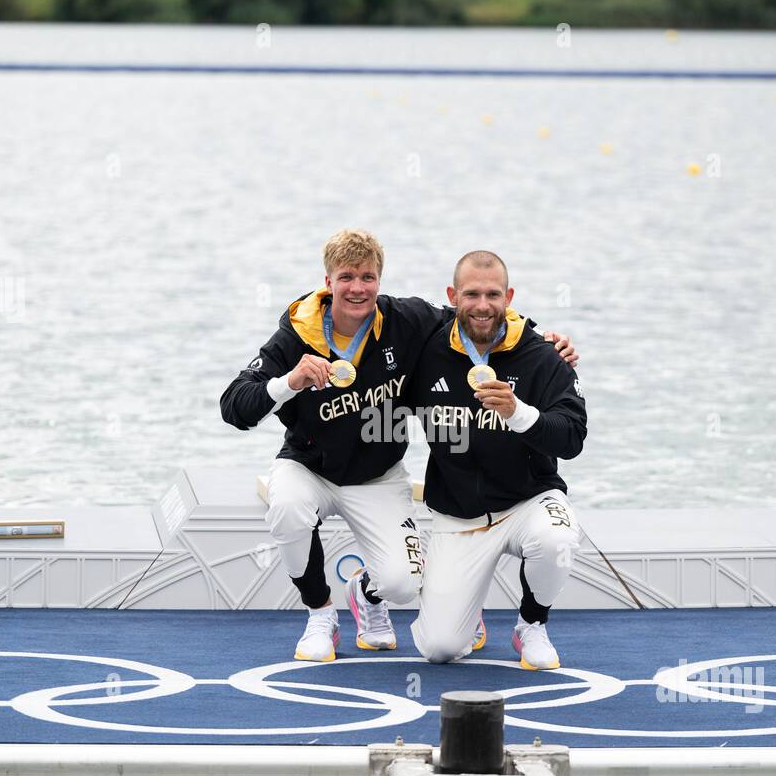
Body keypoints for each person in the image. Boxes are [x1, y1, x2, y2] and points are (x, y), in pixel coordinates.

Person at [219, 230, 577, 663]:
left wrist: (543, 342)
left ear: (379, 280)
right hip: (309, 467)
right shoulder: (296, 336)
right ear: (328, 281)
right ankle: (320, 616)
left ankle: (367, 594)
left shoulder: (407, 323)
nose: (357, 288)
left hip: (377, 476)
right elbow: (234, 407)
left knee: (405, 585)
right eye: (346, 277)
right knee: (289, 507)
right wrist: (287, 383)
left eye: (368, 277)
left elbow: (477, 316)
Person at [409, 250, 586, 670]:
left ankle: (531, 624)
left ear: (509, 296)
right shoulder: (425, 349)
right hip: (459, 514)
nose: (483, 306)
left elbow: (573, 437)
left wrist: (518, 413)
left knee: (557, 540)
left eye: (492, 294)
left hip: (528, 500)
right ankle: (459, 610)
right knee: (440, 649)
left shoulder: (544, 354)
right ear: (452, 296)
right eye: (471, 294)